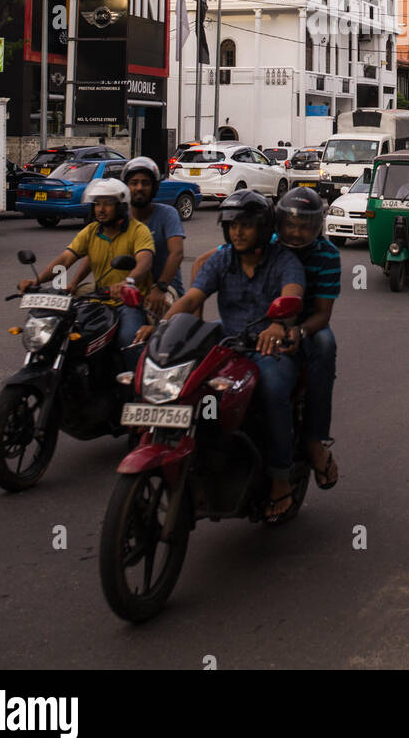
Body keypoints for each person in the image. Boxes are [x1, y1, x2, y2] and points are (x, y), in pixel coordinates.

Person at [136, 190, 305, 525]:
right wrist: (162, 326)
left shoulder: (284, 261)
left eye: (245, 226)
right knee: (190, 388)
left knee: (272, 391)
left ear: (262, 227)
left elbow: (292, 295)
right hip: (230, 343)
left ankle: (280, 478)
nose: (237, 232)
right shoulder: (222, 259)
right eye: (231, 226)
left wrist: (278, 324)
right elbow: (193, 297)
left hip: (269, 348)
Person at [18, 177, 154, 371]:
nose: (101, 209)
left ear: (121, 206)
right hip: (97, 301)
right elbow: (65, 260)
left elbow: (145, 261)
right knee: (66, 334)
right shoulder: (91, 231)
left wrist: (128, 282)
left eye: (107, 203)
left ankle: (136, 391)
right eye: (97, 203)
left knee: (129, 341)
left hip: (127, 303)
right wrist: (36, 281)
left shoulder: (139, 231)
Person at [272, 188, 340, 491]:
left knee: (325, 345)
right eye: (291, 224)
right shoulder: (270, 247)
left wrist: (298, 331)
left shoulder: (328, 255)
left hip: (308, 324)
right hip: (267, 324)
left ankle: (315, 439)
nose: (296, 233)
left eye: (304, 226)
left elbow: (323, 314)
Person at [120, 156, 185, 319]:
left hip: (165, 288)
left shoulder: (167, 214)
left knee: (159, 333)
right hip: (129, 287)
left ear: (154, 187)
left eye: (145, 183)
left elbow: (176, 254)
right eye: (134, 183)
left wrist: (161, 287)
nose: (139, 187)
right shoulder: (120, 217)